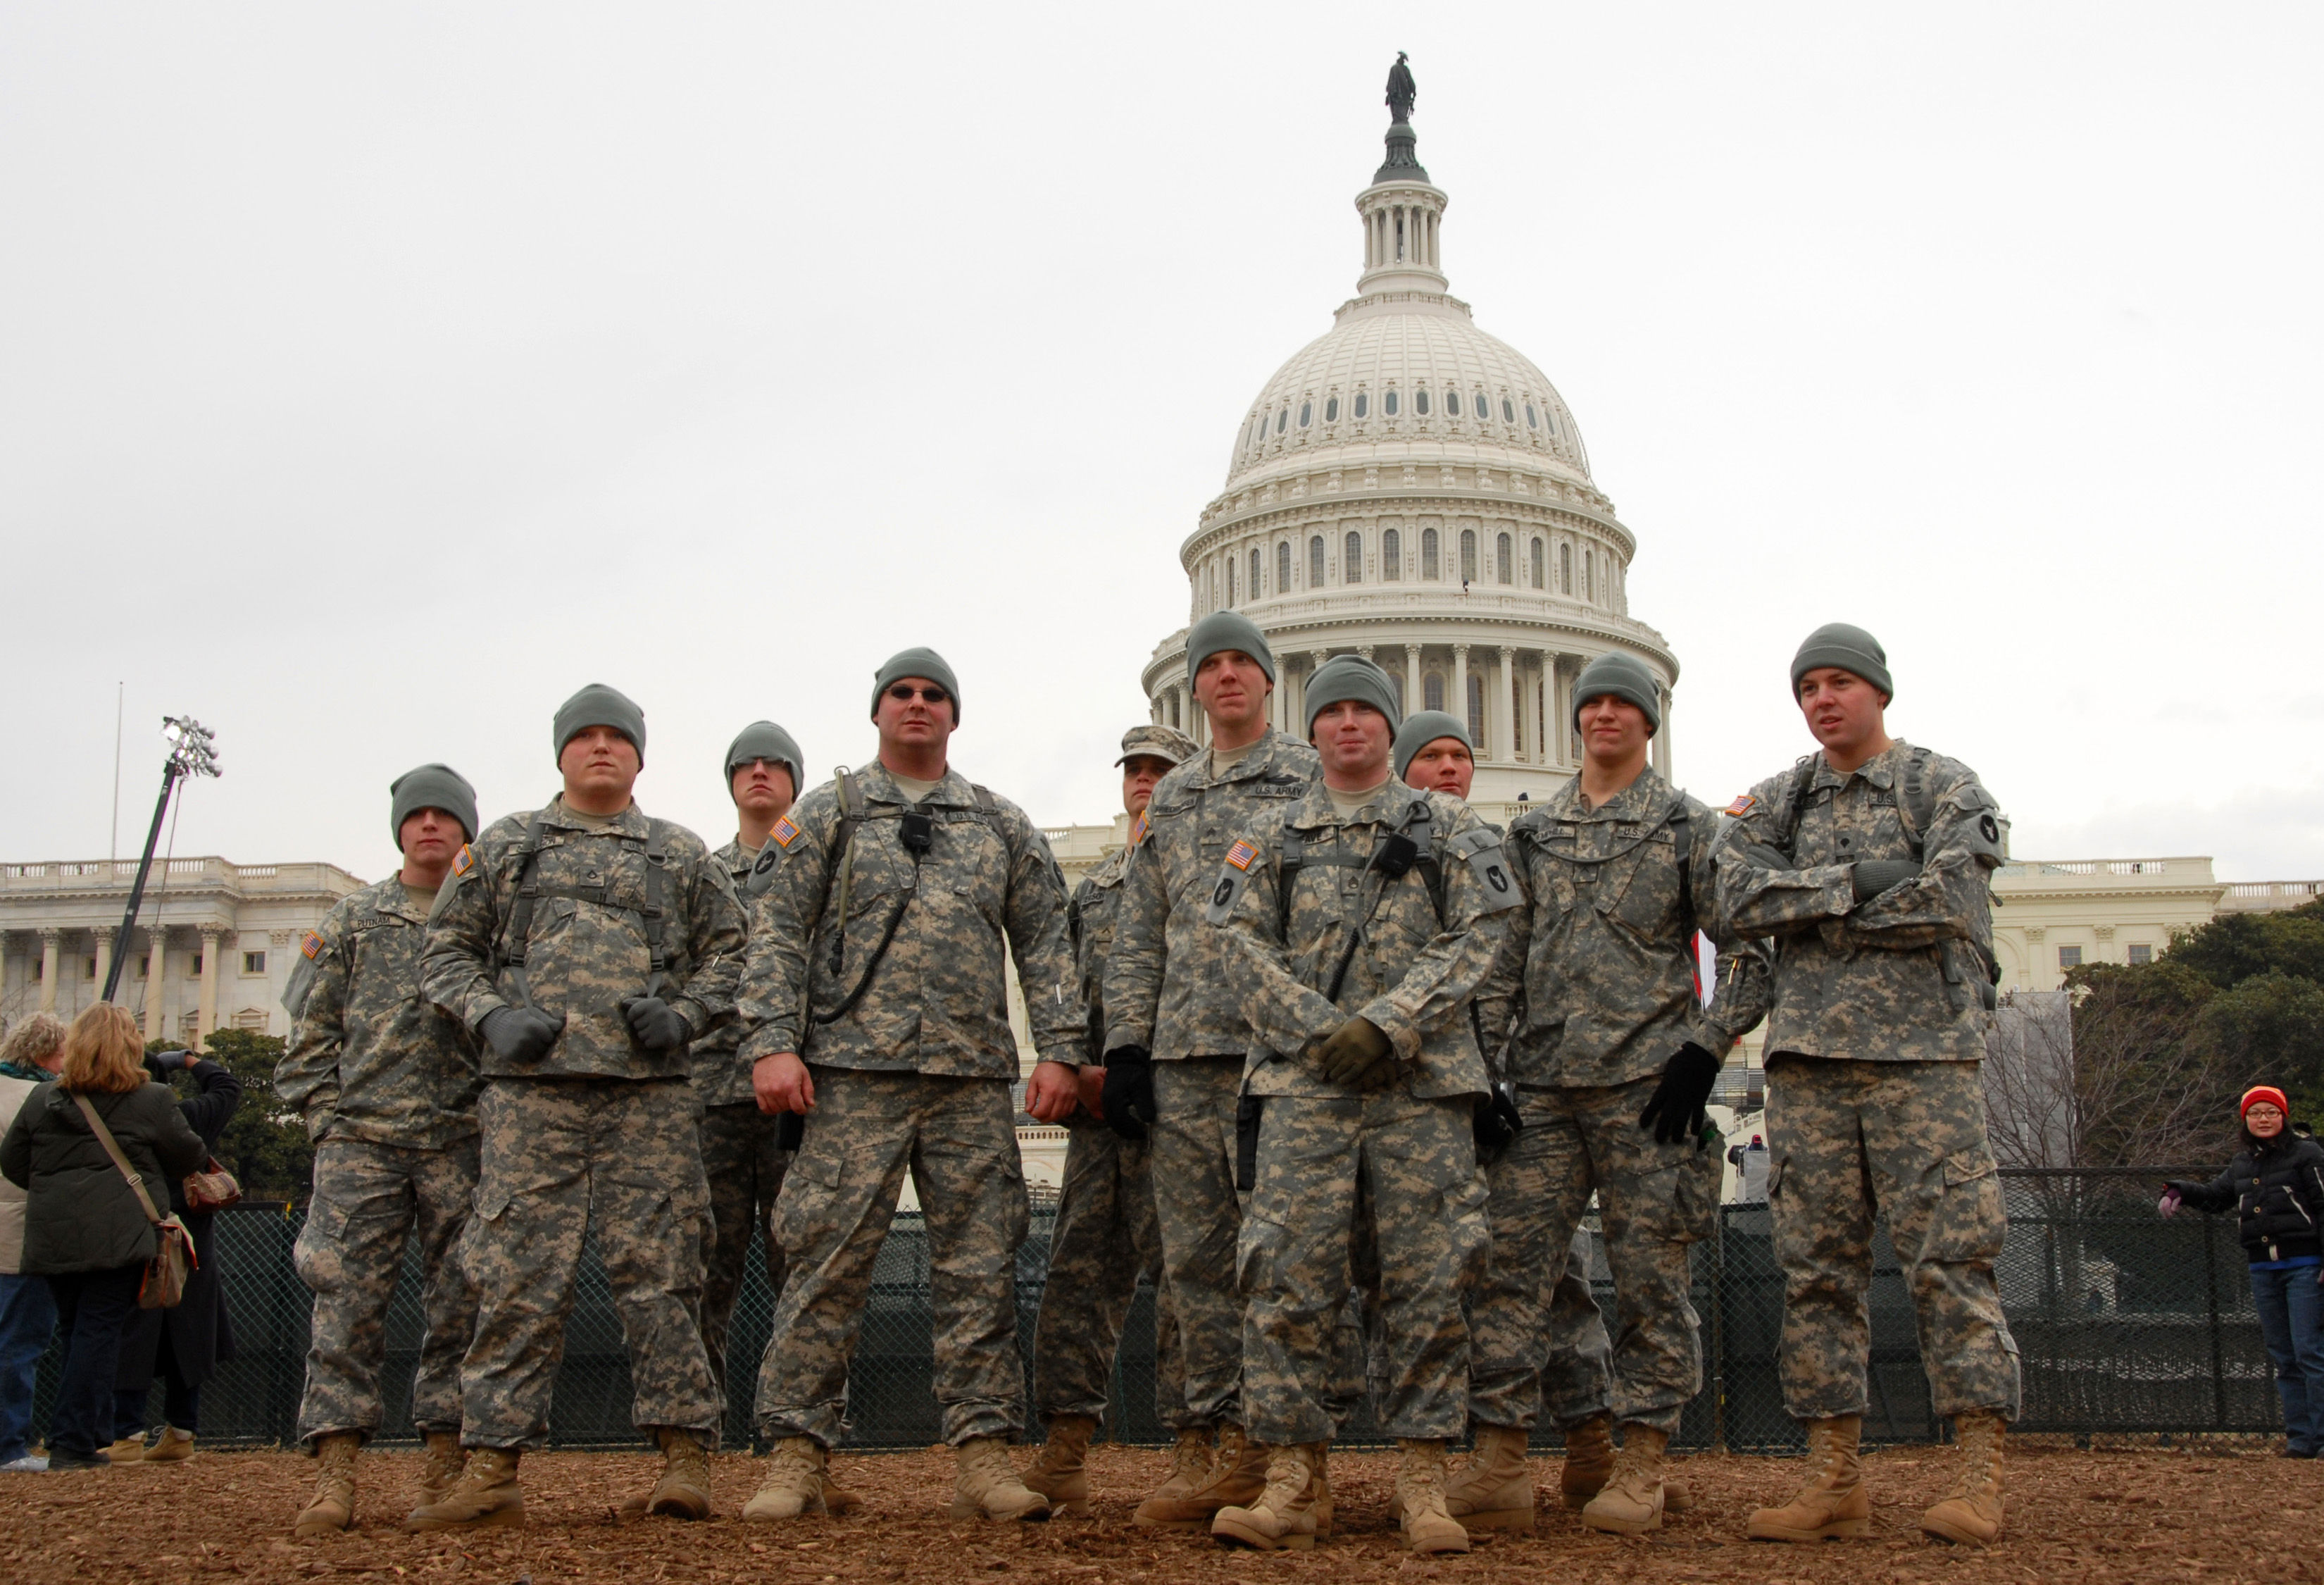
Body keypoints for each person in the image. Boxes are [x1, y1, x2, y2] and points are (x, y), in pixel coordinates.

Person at [735, 648, 1084, 1525]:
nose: (918, 706)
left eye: (934, 695)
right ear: (877, 713)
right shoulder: (828, 816)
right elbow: (775, 931)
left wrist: (1060, 1050)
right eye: (902, 694)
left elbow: (1046, 944)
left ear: (954, 717)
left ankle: (983, 1455)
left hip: (969, 1080)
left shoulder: (999, 823)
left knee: (980, 1270)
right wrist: (773, 1044)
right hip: (851, 1076)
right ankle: (797, 1456)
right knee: (826, 1266)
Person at [1199, 655, 1514, 1553]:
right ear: (1312, 728)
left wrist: (1389, 1024)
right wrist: (1318, 1033)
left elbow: (1484, 932)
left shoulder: (1452, 830)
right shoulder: (1266, 837)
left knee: (1428, 1280)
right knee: (1288, 1281)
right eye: (1331, 712)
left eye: (1364, 712)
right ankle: (1296, 1479)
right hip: (1305, 1095)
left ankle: (1425, 1480)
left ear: (1388, 726)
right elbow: (1234, 946)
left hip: (1419, 1092)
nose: (1348, 726)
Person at [415, 685, 746, 1528]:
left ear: (640, 757)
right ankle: (491, 1469)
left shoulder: (679, 853)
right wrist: (492, 1014)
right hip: (532, 1099)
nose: (602, 749)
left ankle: (684, 1460)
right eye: (585, 738)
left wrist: (687, 1015)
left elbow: (734, 954)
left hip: (652, 1099)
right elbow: (444, 950)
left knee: (667, 1277)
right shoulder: (507, 847)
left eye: (618, 739)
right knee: (517, 1277)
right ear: (561, 754)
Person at [1716, 623, 2016, 1548]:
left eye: (1840, 681)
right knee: (1817, 1273)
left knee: (1950, 1263)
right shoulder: (1777, 796)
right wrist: (1860, 883)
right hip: (1808, 1067)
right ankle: (1833, 1476)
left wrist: (1801, 893)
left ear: (1880, 691)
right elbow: (1728, 898)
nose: (1822, 699)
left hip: (1922, 1063)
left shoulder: (1944, 785)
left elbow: (1951, 903)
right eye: (1808, 686)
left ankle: (1979, 1473)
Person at [1458, 652, 1766, 1536]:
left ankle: (1643, 1462)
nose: (1603, 716)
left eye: (1621, 704)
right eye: (1590, 703)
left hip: (1647, 1092)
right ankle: (1502, 1459)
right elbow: (1499, 963)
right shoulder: (1532, 832)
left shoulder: (1689, 829)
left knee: (1651, 1280)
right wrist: (1488, 1071)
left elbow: (1751, 955)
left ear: (1648, 722)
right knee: (1508, 1274)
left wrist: (1704, 1051)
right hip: (1545, 1090)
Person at [1101, 611, 1321, 1530]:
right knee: (1193, 1264)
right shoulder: (1177, 798)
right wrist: (1125, 1047)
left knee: (1282, 1258)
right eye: (1213, 664)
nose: (1227, 676)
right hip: (1187, 1054)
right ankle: (1214, 1444)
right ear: (1193, 685)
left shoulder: (1314, 778)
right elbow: (1142, 926)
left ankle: (1289, 1454)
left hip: (1281, 1054)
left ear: (1270, 679)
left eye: (1243, 663)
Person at [1389, 710, 1626, 1515]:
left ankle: (1588, 1438)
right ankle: (1454, 1456)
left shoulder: (1507, 849)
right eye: (1432, 757)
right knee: (1426, 1282)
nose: (1453, 770)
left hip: (1498, 1094)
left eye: (1461, 756)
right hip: (1412, 1099)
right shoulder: (1370, 857)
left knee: (1545, 1274)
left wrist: (1499, 1080)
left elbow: (1517, 969)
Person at [275, 764, 484, 1534]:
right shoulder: (354, 919)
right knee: (345, 1308)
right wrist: (327, 1125)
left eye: (446, 815)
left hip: (460, 1142)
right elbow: (309, 1039)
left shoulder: (489, 920)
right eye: (417, 815)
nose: (431, 826)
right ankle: (335, 1474)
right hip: (361, 1141)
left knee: (461, 1307)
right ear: (399, 828)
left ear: (467, 830)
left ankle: (444, 1464)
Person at [1020, 723, 1201, 1516]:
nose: (1145, 781)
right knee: (1078, 1278)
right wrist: (1069, 1064)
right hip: (1100, 1114)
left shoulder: (1206, 877)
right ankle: (1063, 1451)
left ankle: (1200, 1449)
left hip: (1178, 1115)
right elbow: (1062, 989)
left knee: (1189, 1286)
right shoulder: (1091, 891)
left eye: (1162, 769)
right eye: (1135, 769)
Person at [0, 1004, 204, 1471]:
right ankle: (72, 1440)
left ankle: (78, 1434)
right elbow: (188, 1153)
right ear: (129, 1046)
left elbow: (13, 1163)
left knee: (74, 1330)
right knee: (99, 1332)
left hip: (51, 1233)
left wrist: (56, 1191)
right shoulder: (149, 1098)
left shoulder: (43, 1099)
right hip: (120, 1232)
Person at [694, 723, 807, 1407]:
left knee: (804, 1272)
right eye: (746, 765)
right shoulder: (699, 873)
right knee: (706, 1272)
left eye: (774, 765)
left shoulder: (821, 867)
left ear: (795, 780)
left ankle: (800, 1434)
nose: (759, 774)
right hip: (715, 1095)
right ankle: (694, 1443)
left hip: (799, 1097)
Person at [2162, 1086, 2324, 1457]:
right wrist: (2179, 1192)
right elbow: (2217, 1196)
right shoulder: (2243, 1163)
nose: (2263, 1119)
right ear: (2245, 1120)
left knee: (2310, 1353)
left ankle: (2322, 1439)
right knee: (2284, 1357)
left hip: (2305, 1267)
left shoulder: (2308, 1155)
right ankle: (2300, 1440)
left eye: (2270, 1112)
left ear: (2283, 1116)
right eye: (2255, 1113)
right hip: (2263, 1268)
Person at [108, 1043, 242, 1465]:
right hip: (191, 1241)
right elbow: (226, 1086)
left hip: (132, 1231)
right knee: (190, 1329)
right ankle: (182, 1431)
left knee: (133, 1329)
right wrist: (187, 1059)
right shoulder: (187, 1116)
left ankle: (125, 1431)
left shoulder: (112, 1118)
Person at [0, 1013, 66, 1472]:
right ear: (44, 1054)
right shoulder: (44, 1101)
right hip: (23, 1238)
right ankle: (9, 1447)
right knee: (19, 1345)